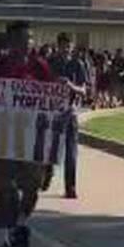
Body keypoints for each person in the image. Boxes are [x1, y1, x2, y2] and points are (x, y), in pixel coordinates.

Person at [0, 20, 54, 247]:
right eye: (22, 39)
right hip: (4, 137)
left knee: (32, 187)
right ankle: (4, 241)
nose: (27, 44)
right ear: (11, 41)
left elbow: (51, 101)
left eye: (30, 39)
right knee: (4, 190)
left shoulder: (40, 66)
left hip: (33, 138)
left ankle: (22, 224)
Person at [49, 32, 90, 199]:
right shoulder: (50, 62)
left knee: (71, 151)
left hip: (70, 111)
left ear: (72, 47)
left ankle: (70, 186)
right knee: (48, 147)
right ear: (57, 46)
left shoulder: (77, 64)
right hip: (52, 111)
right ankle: (47, 172)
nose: (65, 49)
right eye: (62, 46)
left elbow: (84, 90)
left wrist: (71, 86)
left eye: (68, 46)